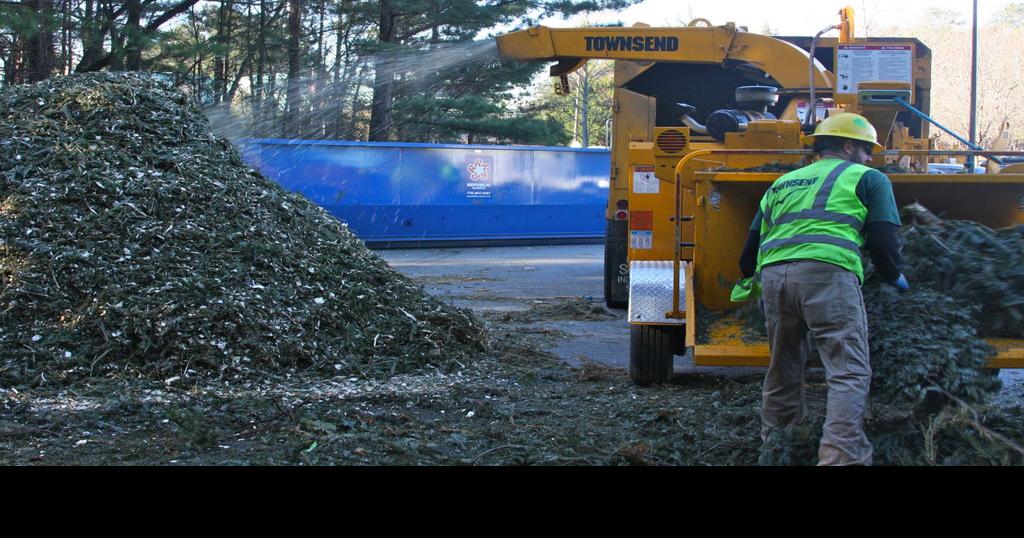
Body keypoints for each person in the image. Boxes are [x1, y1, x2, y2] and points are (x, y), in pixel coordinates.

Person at [730, 112, 908, 466]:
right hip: (829, 274)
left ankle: (779, 446)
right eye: (866, 149)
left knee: (783, 366)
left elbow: (747, 255)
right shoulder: (869, 178)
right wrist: (893, 275)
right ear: (847, 146)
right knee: (847, 370)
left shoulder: (782, 183)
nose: (870, 157)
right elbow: (884, 240)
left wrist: (755, 280)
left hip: (774, 279)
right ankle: (841, 456)